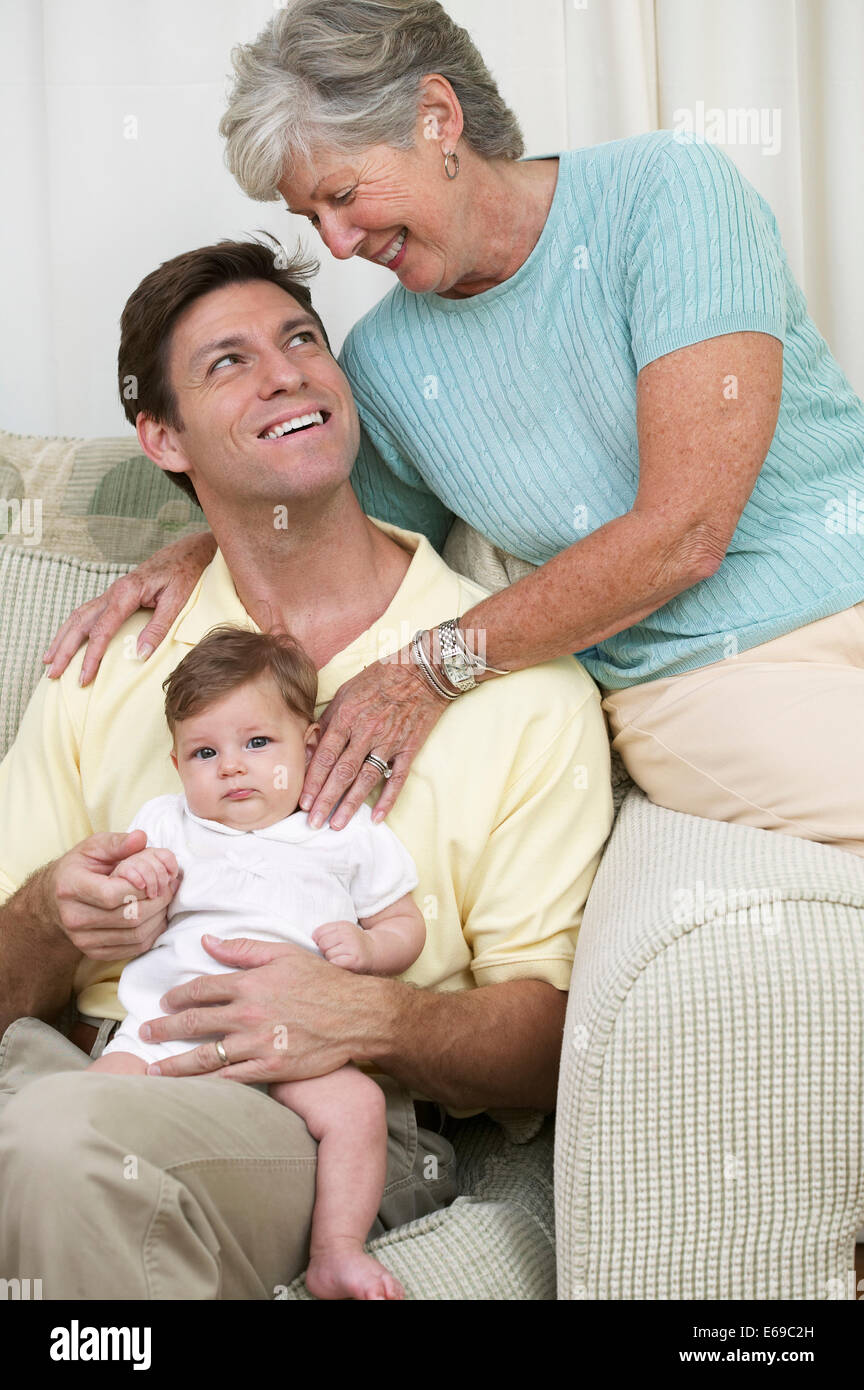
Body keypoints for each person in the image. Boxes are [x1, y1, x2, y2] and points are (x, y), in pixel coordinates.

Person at [48, 0, 864, 857]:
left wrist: (432, 665)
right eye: (309, 218)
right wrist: (192, 545)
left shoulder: (667, 194)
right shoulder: (386, 366)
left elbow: (685, 531)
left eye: (343, 195)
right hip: (711, 678)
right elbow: (313, 532)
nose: (336, 245)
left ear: (436, 119)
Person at [0, 238, 613, 1299]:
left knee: (65, 1143)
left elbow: (558, 1041)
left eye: (301, 340)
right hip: (91, 1058)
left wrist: (371, 1014)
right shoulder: (105, 664)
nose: (287, 372)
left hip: (315, 1110)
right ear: (162, 437)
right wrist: (57, 913)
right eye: (228, 363)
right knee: (59, 1121)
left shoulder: (521, 690)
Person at [91, 623, 427, 1301]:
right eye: (205, 752)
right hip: (169, 1028)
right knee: (94, 1104)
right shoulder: (167, 825)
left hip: (296, 1042)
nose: (232, 767)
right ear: (178, 764)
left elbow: (402, 923)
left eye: (256, 744)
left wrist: (367, 949)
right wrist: (139, 883)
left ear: (309, 745)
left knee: (357, 1106)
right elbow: (120, 909)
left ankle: (336, 1250)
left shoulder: (343, 829)